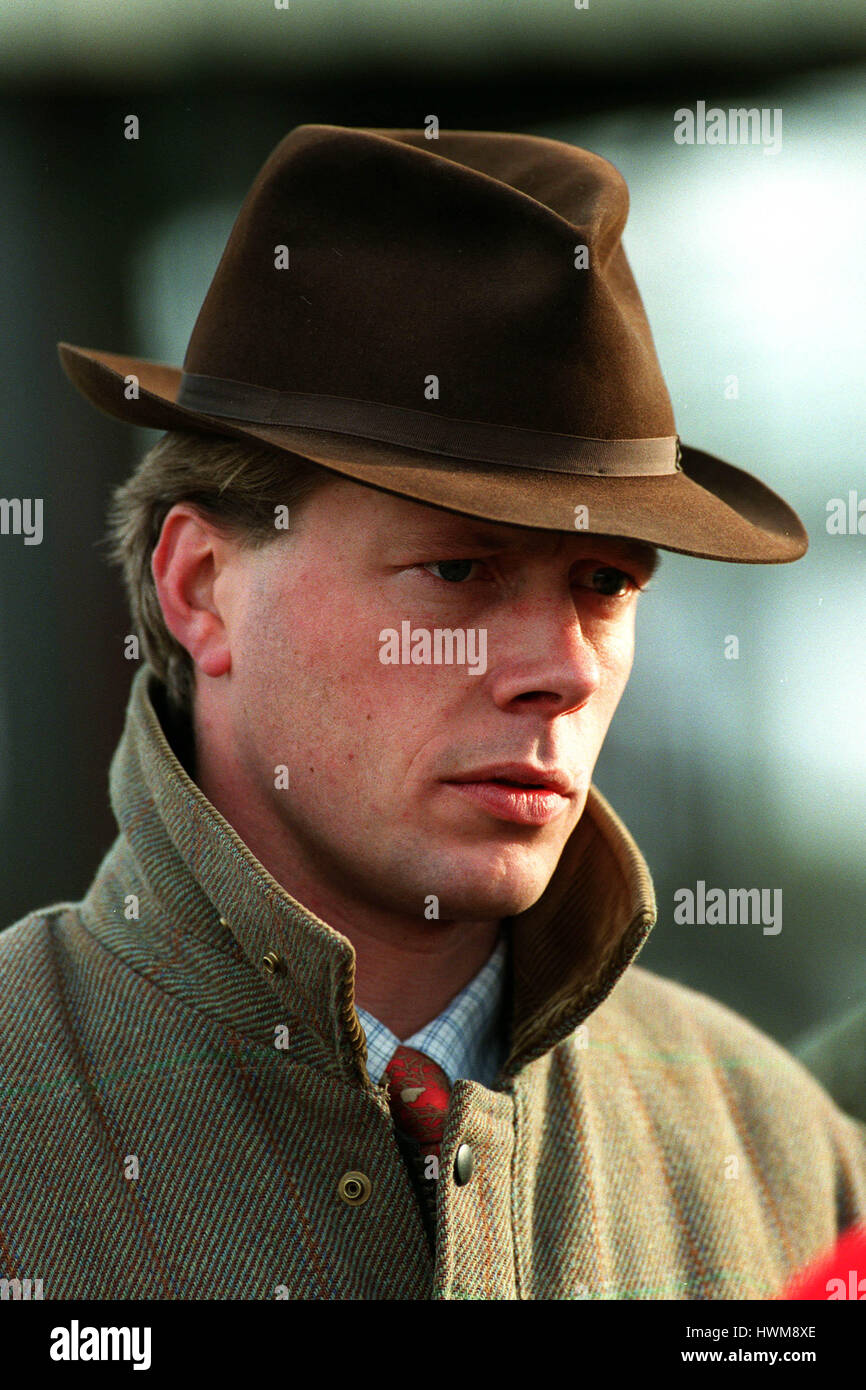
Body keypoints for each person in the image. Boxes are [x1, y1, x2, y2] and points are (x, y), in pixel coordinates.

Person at [1, 122, 864, 1301]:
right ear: (201, 587)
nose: (561, 667)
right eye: (457, 569)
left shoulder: (784, 1161)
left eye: (605, 583)